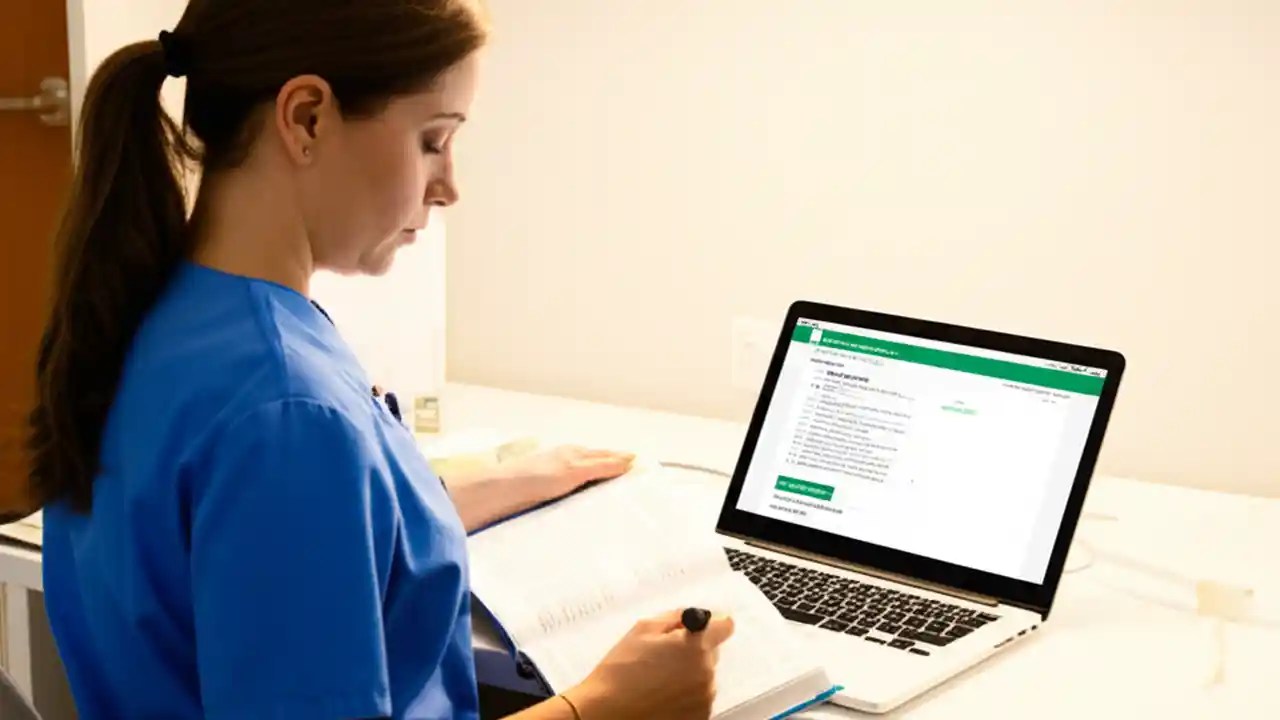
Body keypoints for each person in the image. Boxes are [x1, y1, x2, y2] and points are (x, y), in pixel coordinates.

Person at [25, 1, 735, 718]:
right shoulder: (285, 410)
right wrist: (607, 705)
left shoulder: (165, 316)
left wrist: (498, 483)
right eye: (433, 140)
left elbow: (265, 543)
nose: (448, 185)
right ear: (306, 117)